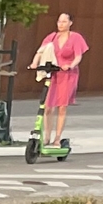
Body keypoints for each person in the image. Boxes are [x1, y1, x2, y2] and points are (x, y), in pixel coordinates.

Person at [33, 12, 87, 153]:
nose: (60, 24)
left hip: (67, 75)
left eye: (64, 22)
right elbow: (40, 51)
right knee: (48, 107)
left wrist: (71, 65)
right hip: (54, 74)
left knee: (62, 107)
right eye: (59, 21)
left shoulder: (76, 38)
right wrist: (34, 63)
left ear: (70, 23)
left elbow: (78, 56)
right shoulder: (52, 37)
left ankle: (57, 138)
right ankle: (46, 137)